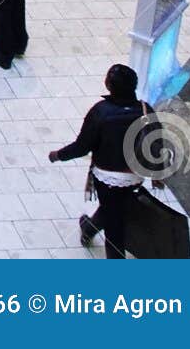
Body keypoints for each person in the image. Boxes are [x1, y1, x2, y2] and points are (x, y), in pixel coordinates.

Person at [49, 64, 158, 258]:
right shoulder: (145, 109)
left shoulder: (101, 112)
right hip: (135, 176)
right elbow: (157, 143)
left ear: (109, 86)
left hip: (107, 178)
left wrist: (58, 155)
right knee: (112, 208)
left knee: (115, 231)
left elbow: (82, 146)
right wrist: (158, 174)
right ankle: (89, 228)